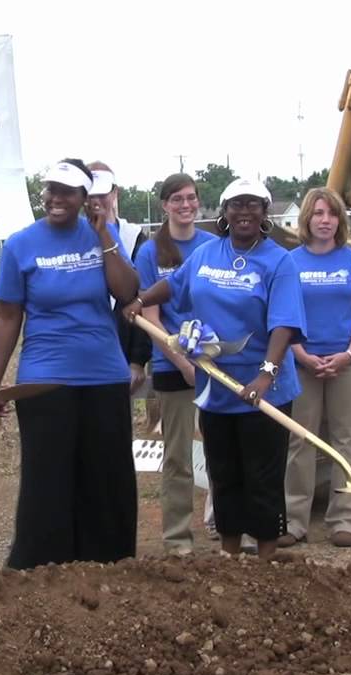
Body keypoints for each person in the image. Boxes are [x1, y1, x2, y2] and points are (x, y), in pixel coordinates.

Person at [124, 178, 307, 557]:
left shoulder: (279, 262)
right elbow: (174, 285)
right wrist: (141, 300)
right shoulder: (208, 254)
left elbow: (284, 324)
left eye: (253, 205)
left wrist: (265, 374)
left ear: (265, 212)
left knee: (263, 476)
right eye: (236, 205)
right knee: (224, 474)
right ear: (223, 213)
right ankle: (229, 552)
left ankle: (265, 555)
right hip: (217, 387)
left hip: (263, 391)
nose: (244, 212)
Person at [0, 158, 141, 569]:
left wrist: (104, 235)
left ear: (83, 199)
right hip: (44, 377)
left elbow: (127, 292)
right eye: (51, 190)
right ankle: (41, 566)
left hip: (104, 373)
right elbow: (8, 316)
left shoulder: (102, 238)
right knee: (47, 476)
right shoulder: (20, 244)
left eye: (67, 192)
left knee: (106, 474)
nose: (56, 198)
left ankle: (109, 561)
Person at [283, 188, 351, 548]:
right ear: (306, 218)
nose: (325, 220)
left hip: (348, 364)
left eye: (332, 214)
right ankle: (294, 520)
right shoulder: (289, 262)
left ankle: (346, 519)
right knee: (300, 440)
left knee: (347, 440)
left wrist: (349, 355)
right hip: (302, 363)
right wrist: (300, 354)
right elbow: (281, 315)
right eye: (318, 213)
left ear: (341, 220)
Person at [133, 173, 217, 554]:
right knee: (178, 457)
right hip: (172, 366)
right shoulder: (150, 253)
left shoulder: (214, 245)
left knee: (222, 451)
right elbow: (149, 316)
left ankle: (227, 527)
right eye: (177, 199)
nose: (186, 205)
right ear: (165, 205)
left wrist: (206, 359)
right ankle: (178, 540)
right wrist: (182, 362)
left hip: (215, 365)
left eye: (191, 198)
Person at [87, 161, 152, 396]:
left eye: (102, 193)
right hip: (86, 350)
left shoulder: (135, 238)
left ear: (115, 193)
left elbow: (144, 298)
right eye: (89, 192)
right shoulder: (72, 236)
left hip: (123, 349)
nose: (95, 200)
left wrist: (137, 359)